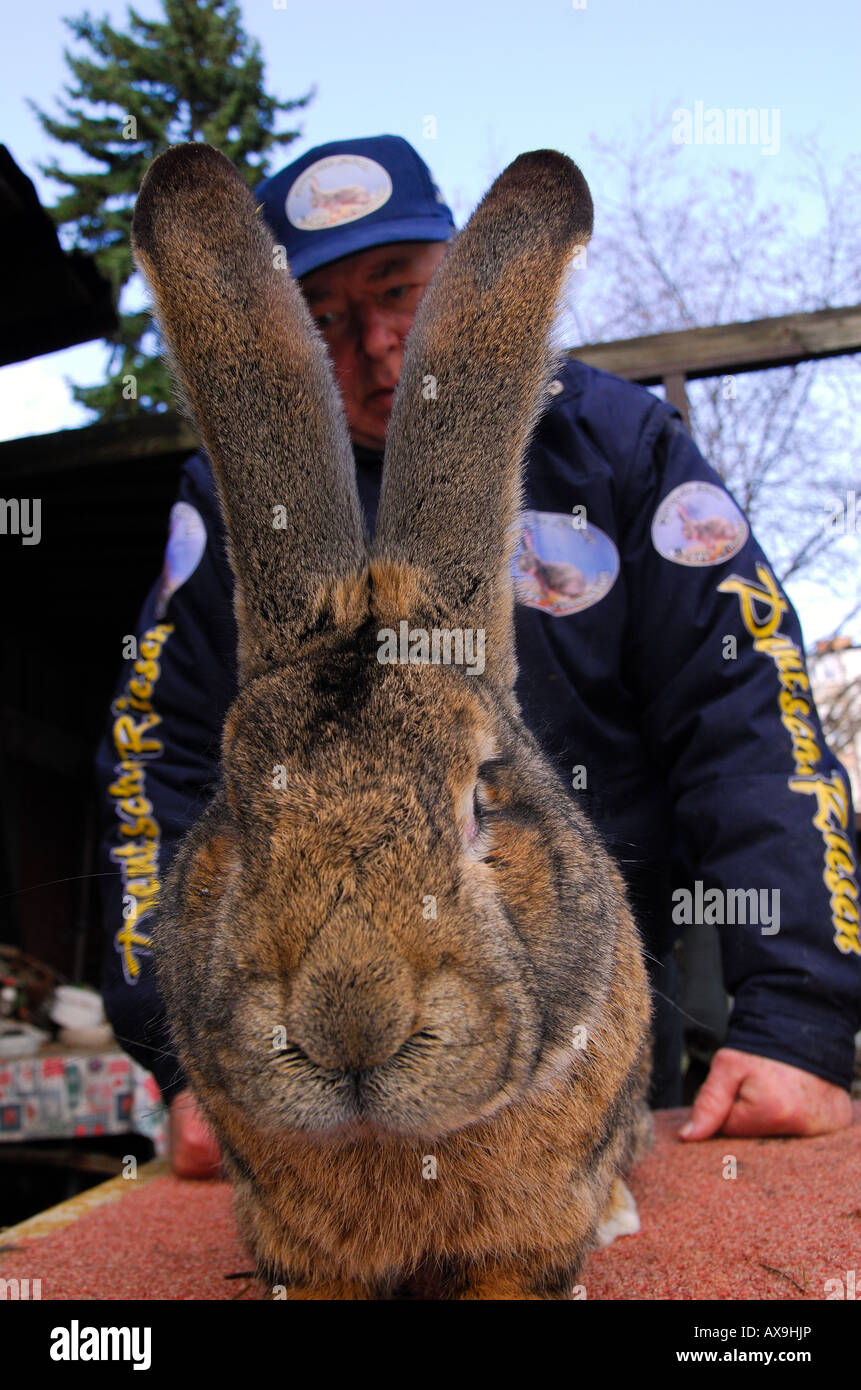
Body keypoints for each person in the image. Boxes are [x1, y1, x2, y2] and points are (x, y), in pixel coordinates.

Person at [95, 135, 860, 1178]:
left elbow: (743, 712)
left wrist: (797, 1016)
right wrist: (178, 1053)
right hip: (298, 1036)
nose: (373, 344)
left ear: (460, 280)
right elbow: (159, 765)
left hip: (573, 992)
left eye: (401, 287)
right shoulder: (231, 504)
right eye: (320, 318)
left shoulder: (619, 446)